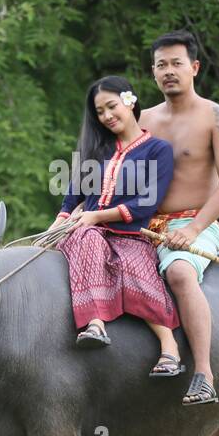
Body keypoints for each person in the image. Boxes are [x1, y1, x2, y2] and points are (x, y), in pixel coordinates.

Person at [52, 76, 185, 378]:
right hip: (89, 232)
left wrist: (97, 216)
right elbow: (75, 193)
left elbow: (148, 203)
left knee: (135, 267)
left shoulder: (158, 150)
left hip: (131, 235)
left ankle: (170, 348)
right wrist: (58, 223)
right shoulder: (97, 149)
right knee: (85, 237)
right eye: (100, 112)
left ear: (130, 101)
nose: (107, 116)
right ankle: (95, 323)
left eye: (111, 107)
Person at [137, 30, 219, 407]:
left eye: (176, 63)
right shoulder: (143, 119)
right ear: (153, 72)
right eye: (161, 65)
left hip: (193, 222)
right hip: (145, 225)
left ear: (194, 68)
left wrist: (195, 229)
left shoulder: (217, 116)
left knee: (180, 272)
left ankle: (204, 374)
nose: (169, 71)